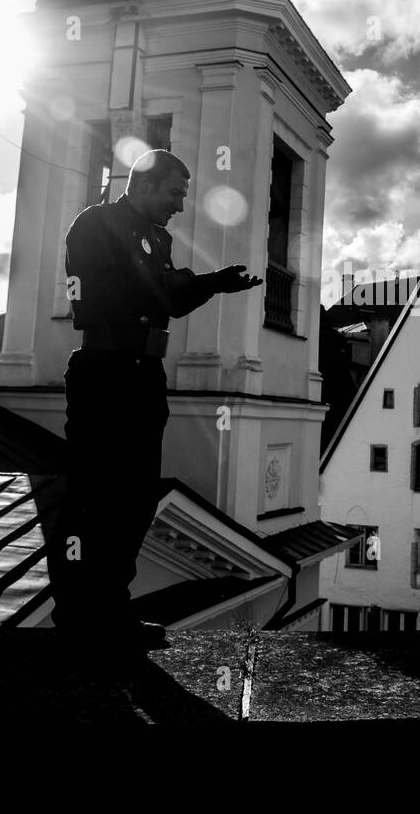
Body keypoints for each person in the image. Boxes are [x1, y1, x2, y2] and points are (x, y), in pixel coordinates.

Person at [48, 149, 261, 658]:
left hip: (144, 377)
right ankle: (76, 615)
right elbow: (106, 298)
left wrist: (213, 283)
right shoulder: (93, 225)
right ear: (144, 185)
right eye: (173, 193)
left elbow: (166, 297)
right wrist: (178, 285)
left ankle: (112, 607)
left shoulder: (158, 238)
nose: (179, 207)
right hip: (105, 373)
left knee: (136, 499)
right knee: (92, 499)